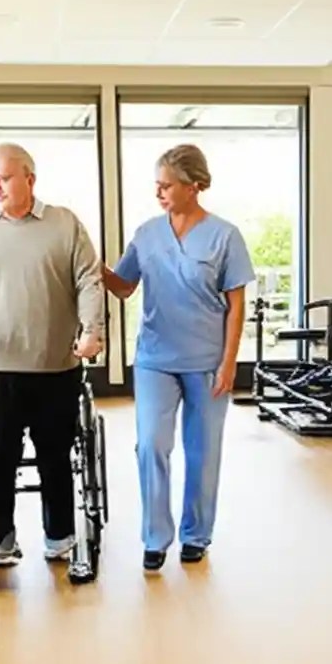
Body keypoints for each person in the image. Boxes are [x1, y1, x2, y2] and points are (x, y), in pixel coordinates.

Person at [0, 142, 104, 567]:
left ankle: (60, 536)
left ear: (29, 179)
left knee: (55, 456)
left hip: (55, 366)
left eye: (4, 177)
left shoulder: (64, 223)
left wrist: (92, 331)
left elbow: (89, 280)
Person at [102, 144, 255, 571]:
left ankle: (195, 535)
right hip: (155, 358)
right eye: (156, 185)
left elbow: (236, 305)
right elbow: (123, 285)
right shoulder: (147, 234)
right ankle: (155, 537)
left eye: (167, 185)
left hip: (207, 360)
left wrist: (229, 364)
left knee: (202, 452)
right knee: (151, 443)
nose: (159, 193)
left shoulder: (225, 235)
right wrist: (87, 262)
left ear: (195, 186)